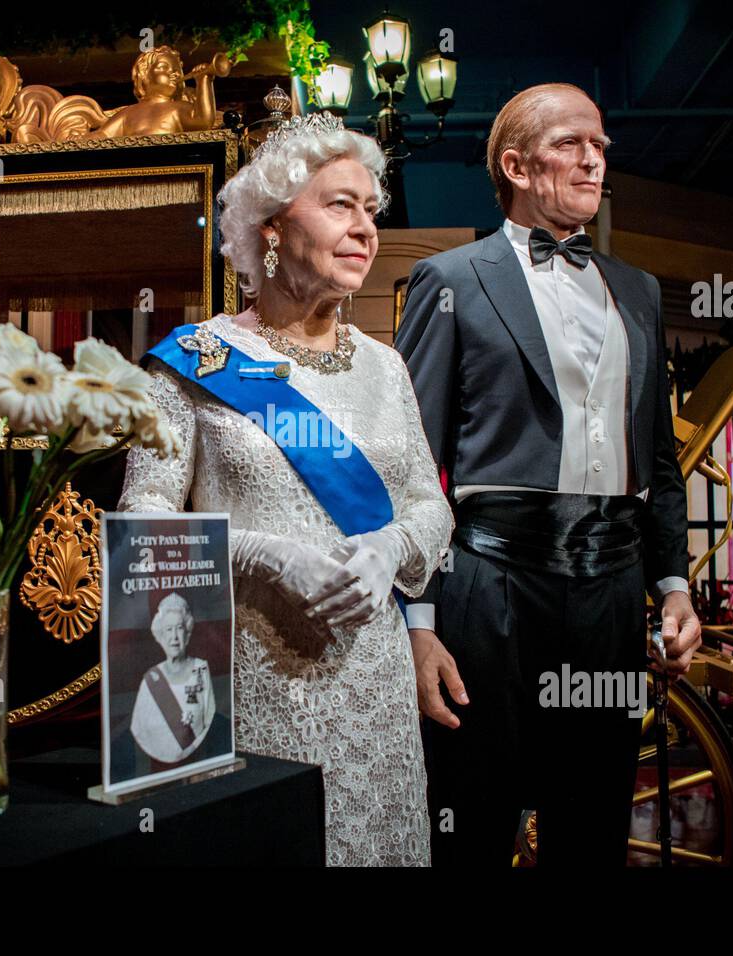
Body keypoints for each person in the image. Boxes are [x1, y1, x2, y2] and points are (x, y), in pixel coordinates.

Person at [119, 112, 453, 866]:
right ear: (271, 225)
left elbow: (431, 505)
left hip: (375, 689)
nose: (365, 228)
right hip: (249, 683)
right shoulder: (192, 364)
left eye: (372, 210)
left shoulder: (386, 368)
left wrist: (389, 547)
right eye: (340, 205)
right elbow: (140, 522)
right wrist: (270, 557)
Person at [396, 83, 702, 866]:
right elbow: (414, 462)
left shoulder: (637, 290)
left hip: (610, 588)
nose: (594, 159)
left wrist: (673, 585)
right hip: (490, 583)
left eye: (600, 146)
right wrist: (419, 625)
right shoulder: (451, 281)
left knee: (595, 817)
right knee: (473, 809)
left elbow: (659, 458)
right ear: (516, 165)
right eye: (572, 143)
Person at [130, 593, 215, 764]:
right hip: (155, 768)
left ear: (188, 633)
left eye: (179, 628)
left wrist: (189, 751)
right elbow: (138, 730)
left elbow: (209, 719)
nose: (174, 637)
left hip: (196, 761)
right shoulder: (151, 679)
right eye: (169, 629)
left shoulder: (201, 669)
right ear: (160, 636)